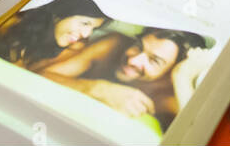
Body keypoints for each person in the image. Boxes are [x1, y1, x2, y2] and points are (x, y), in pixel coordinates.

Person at [38, 27, 209, 130]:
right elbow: (40, 76)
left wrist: (182, 77)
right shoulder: (114, 45)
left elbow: (195, 136)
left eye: (154, 61)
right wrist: (100, 89)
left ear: (169, 74)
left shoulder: (168, 99)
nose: (134, 60)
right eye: (138, 46)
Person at [0, 0, 110, 72]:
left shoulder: (47, 43)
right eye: (85, 23)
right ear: (59, 14)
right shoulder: (9, 24)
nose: (86, 34)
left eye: (93, 29)